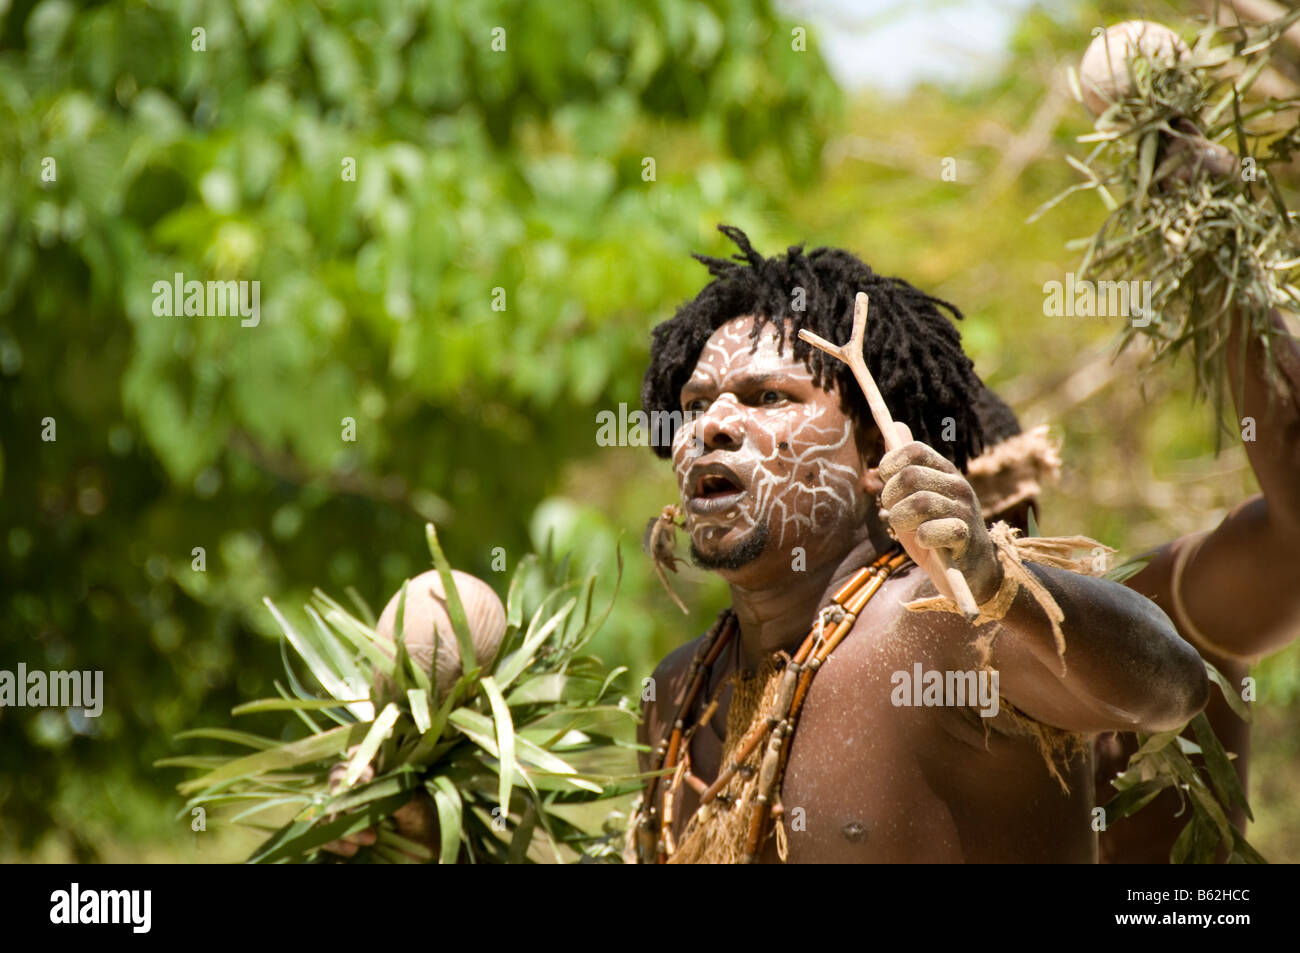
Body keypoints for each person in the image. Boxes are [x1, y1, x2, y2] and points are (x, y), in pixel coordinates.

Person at [629, 225, 1208, 863]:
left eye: (768, 397)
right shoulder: (678, 693)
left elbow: (1174, 687)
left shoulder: (947, 626)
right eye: (695, 405)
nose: (713, 426)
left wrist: (994, 579)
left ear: (875, 448)